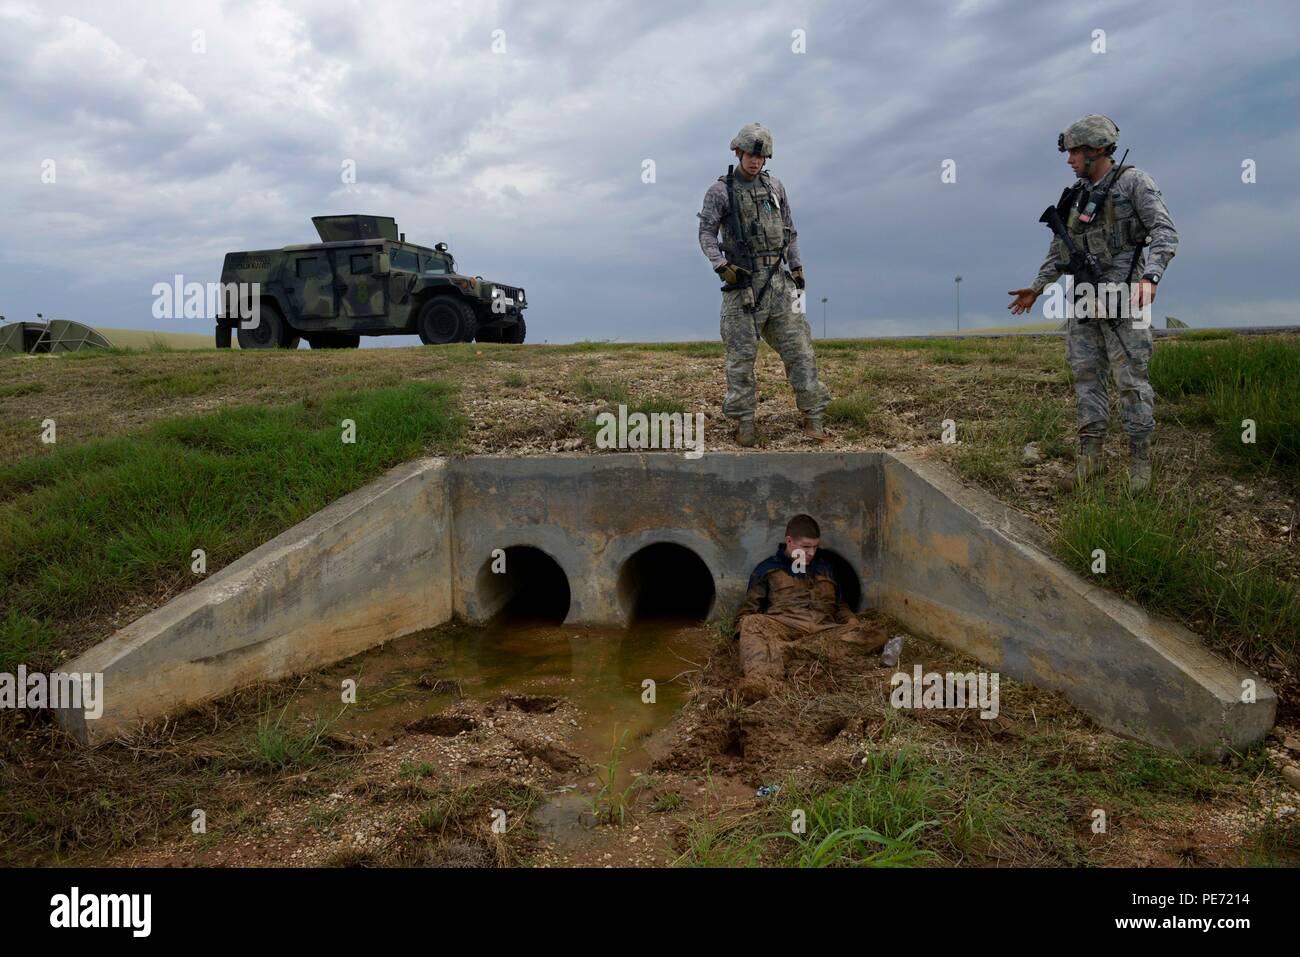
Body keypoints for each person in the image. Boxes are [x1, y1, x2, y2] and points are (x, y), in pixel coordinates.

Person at [1008, 114, 1178, 493]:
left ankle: (1140, 463)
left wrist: (1151, 278)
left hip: (1124, 300)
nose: (1069, 161)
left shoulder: (1135, 183)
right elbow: (1060, 247)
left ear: (1095, 150)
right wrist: (1037, 288)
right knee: (1086, 377)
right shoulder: (1078, 194)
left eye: (1074, 153)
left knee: (1131, 381)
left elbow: (1165, 232)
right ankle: (1091, 458)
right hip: (1084, 299)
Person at [698, 122, 832, 448]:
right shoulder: (720, 192)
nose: (755, 161)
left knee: (800, 350)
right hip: (743, 287)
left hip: (780, 283)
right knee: (741, 359)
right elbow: (706, 234)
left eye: (761, 157)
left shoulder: (775, 187)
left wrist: (797, 267)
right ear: (738, 152)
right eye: (750, 155)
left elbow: (790, 230)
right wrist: (722, 266)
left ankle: (813, 417)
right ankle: (744, 423)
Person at [734, 513, 888, 700]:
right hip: (785, 626)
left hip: (823, 630)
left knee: (877, 633)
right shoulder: (767, 568)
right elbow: (748, 610)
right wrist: (745, 632)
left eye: (815, 547)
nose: (811, 553)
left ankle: (787, 651)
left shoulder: (826, 567)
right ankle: (761, 679)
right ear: (789, 541)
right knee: (750, 623)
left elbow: (839, 604)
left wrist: (850, 620)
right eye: (806, 547)